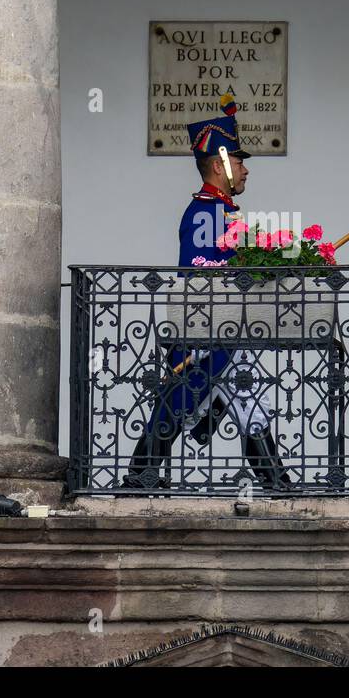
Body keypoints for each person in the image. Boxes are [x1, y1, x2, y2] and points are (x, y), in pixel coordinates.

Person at [123, 96, 293, 491]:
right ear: (219, 165)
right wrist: (249, 268)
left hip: (228, 329)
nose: (246, 169)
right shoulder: (204, 212)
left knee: (248, 403)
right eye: (240, 161)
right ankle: (140, 474)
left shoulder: (222, 210)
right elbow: (199, 270)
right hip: (209, 330)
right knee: (185, 402)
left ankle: (274, 480)